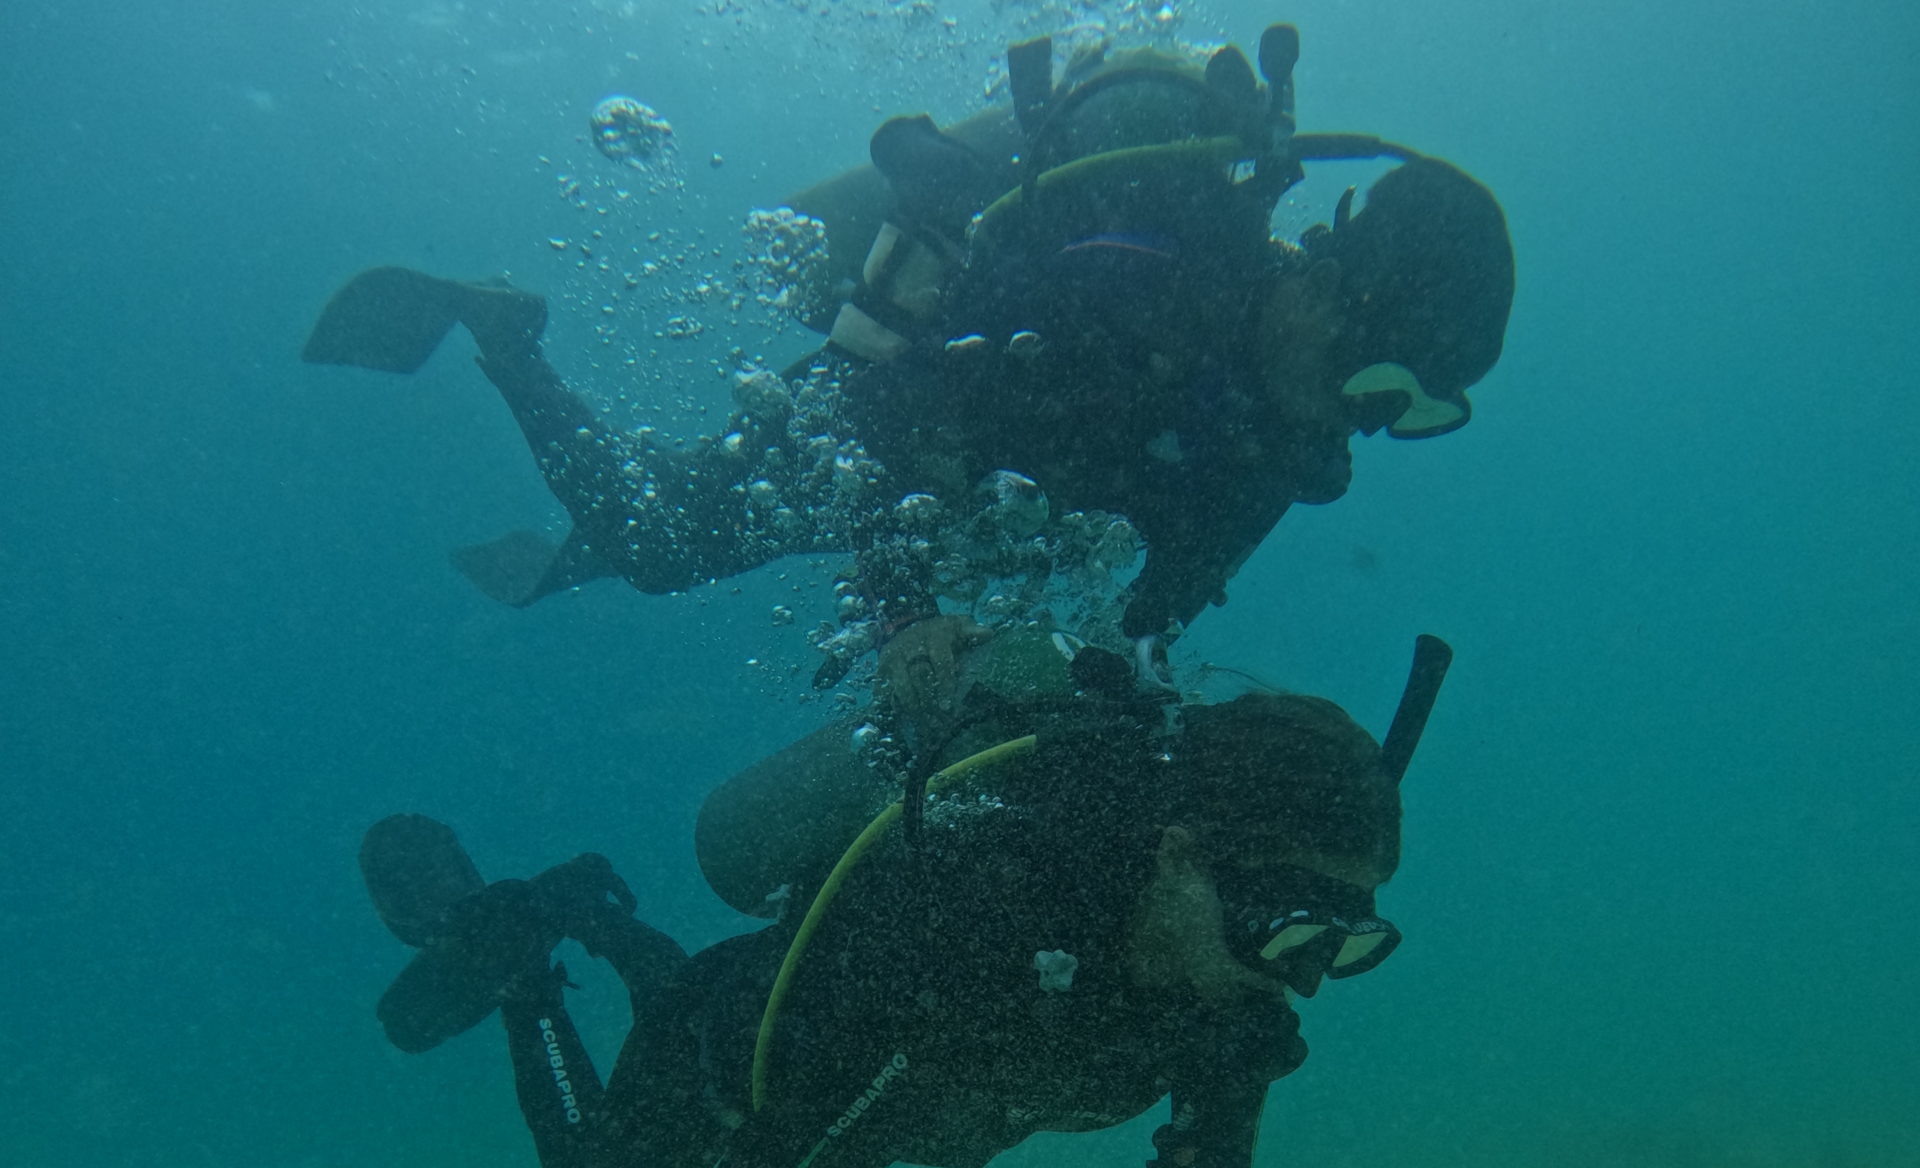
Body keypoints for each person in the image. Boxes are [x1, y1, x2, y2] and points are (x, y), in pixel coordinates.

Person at [302, 24, 1514, 681]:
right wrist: (907, 626)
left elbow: (1142, 634)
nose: (1369, 418)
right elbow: (893, 429)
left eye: (1414, 413)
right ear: (1334, 286)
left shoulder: (1273, 451)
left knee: (664, 542)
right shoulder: (1132, 276)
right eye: (1385, 381)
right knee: (656, 544)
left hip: (967, 491)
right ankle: (506, 333)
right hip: (901, 417)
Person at [360, 633, 1454, 1168]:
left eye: (1347, 943)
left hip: (871, 1100)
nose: (1302, 976)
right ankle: (526, 971)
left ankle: (592, 918)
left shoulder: (1224, 995)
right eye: (1288, 928)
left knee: (765, 1038)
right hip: (741, 1066)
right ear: (1178, 855)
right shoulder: (961, 920)